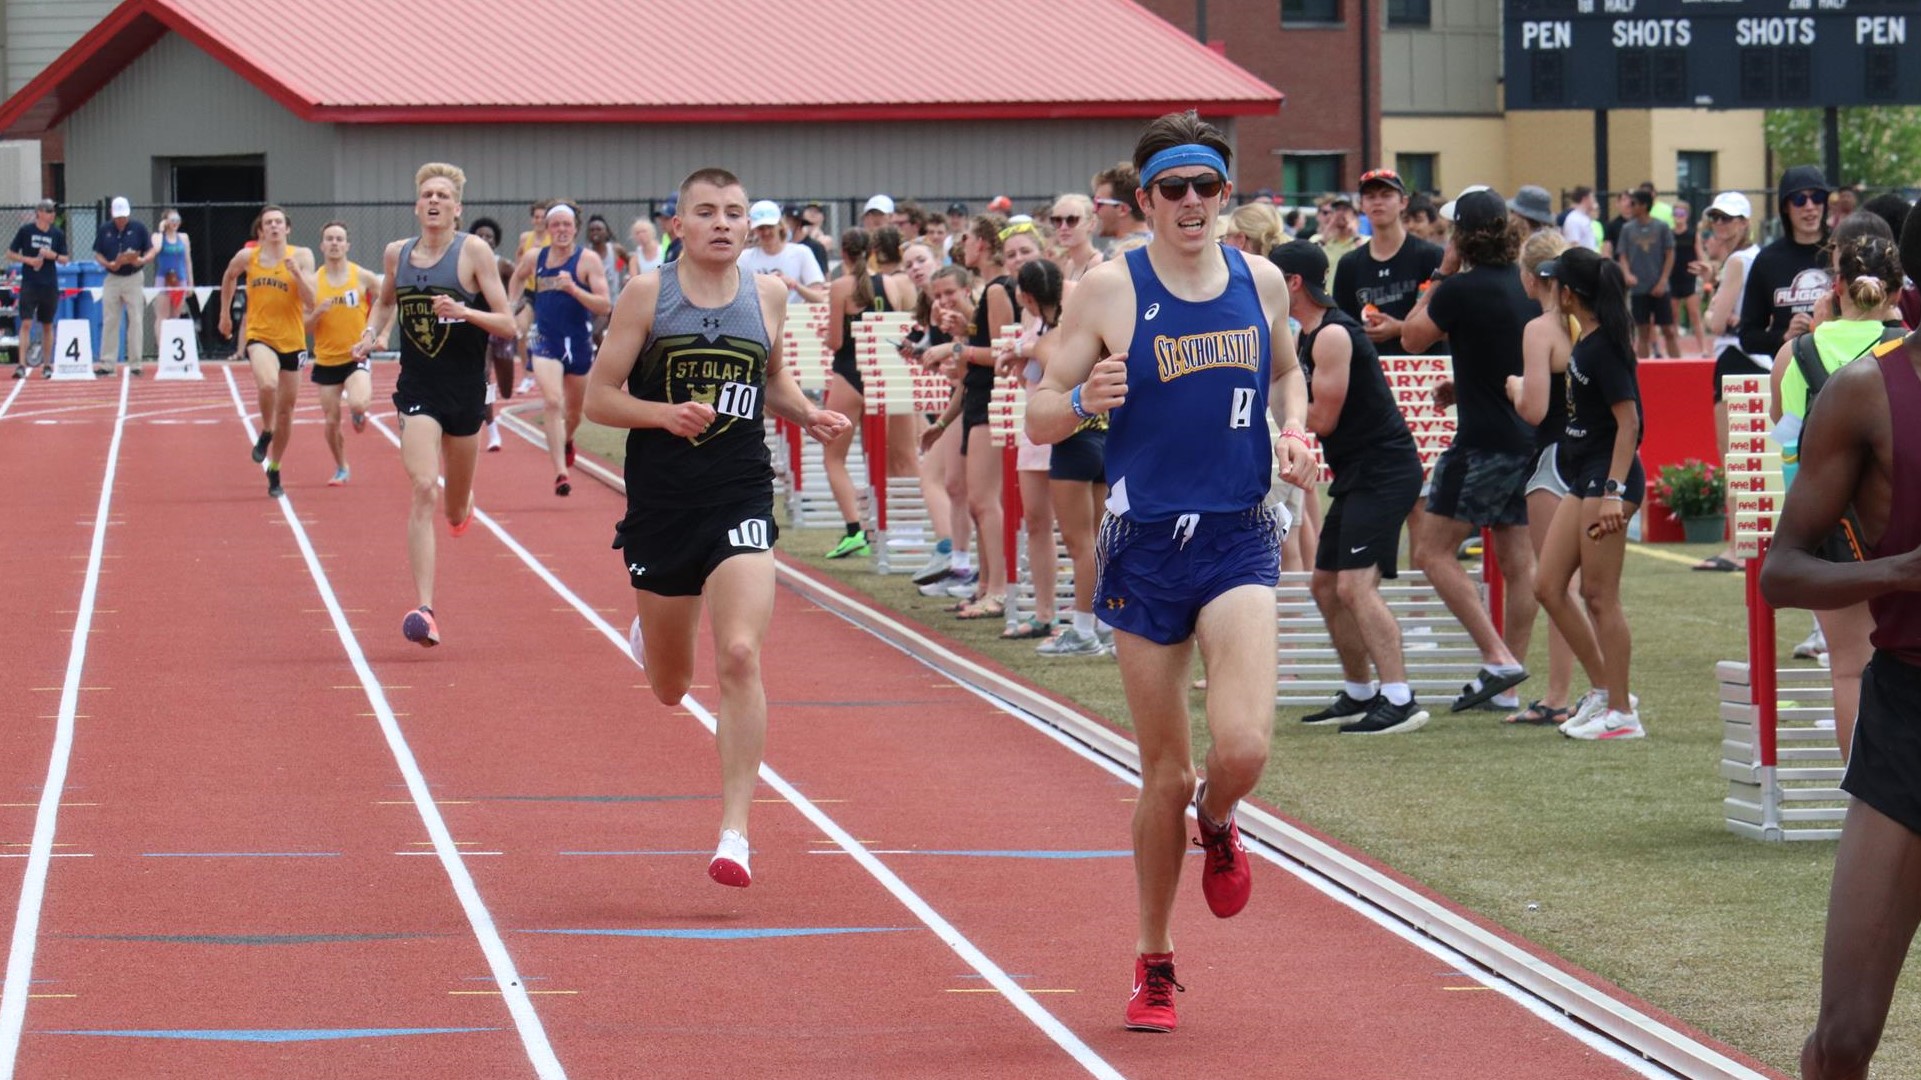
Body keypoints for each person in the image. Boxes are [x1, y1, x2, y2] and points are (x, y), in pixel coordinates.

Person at [1026, 111, 1315, 1033]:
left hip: (1237, 531)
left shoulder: (1258, 279)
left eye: (1207, 187)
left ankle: (1219, 820)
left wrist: (1293, 431)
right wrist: (1082, 399)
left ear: (1225, 196)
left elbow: (1286, 374)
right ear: (1143, 200)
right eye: (1173, 189)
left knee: (1243, 748)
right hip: (1146, 544)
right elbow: (1037, 413)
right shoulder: (1108, 289)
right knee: (1162, 773)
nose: (1192, 202)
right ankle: (1154, 960)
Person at [584, 166, 851, 888]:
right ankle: (650, 638)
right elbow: (599, 399)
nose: (723, 223)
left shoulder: (768, 295)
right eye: (706, 212)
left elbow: (770, 381)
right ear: (679, 225)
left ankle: (735, 832)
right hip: (663, 505)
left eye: (734, 212)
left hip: (739, 493)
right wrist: (662, 414)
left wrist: (807, 412)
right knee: (671, 687)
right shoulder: (648, 293)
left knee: (738, 653)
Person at [1758, 204, 1921, 1080]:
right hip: (1908, 716)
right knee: (1845, 1035)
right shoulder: (1864, 390)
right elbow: (1780, 571)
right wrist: (1897, 574)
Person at [353, 163, 519, 647]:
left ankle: (461, 507)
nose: (433, 201)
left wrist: (464, 310)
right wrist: (371, 332)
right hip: (418, 389)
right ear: (416, 204)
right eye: (427, 194)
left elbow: (508, 324)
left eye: (443, 195)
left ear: (457, 208)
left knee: (454, 505)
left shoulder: (473, 252)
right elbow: (386, 301)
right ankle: (425, 609)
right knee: (424, 486)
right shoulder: (397, 254)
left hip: (465, 391)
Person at [1275, 239, 1427, 734]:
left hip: (1384, 470)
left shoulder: (1333, 335)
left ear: (1294, 283)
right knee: (1325, 585)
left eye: (1271, 280)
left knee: (1355, 586)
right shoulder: (1308, 335)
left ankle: (1400, 697)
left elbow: (1321, 419)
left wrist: (1271, 414)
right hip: (1359, 472)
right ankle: (1360, 691)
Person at [1400, 187, 1541, 714]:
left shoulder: (1458, 289)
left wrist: (1441, 272)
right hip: (1527, 437)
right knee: (1518, 562)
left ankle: (1497, 658)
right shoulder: (1526, 285)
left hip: (1481, 444)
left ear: (1460, 236)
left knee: (1431, 552)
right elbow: (1508, 359)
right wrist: (1464, 387)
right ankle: (1508, 683)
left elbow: (1412, 337)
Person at [1770, 214, 1904, 761]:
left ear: (1837, 285)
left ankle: (1862, 792)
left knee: (1848, 666)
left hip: (1830, 525)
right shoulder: (1908, 348)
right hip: (1900, 518)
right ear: (1896, 290)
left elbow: (1785, 437)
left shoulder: (1800, 354)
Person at [1531, 247, 1646, 739]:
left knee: (1600, 597)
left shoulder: (1605, 348)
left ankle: (1621, 714)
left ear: (1569, 294)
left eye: (1554, 283)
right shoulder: (1588, 338)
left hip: (1608, 481)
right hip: (1586, 479)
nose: (1549, 289)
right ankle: (1604, 689)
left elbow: (1630, 424)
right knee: (1547, 586)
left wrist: (1614, 493)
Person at [1505, 230, 1590, 727]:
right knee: (1589, 587)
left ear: (1530, 278)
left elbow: (1534, 409)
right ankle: (1598, 692)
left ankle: (1563, 693)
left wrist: (1515, 386)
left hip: (1555, 457)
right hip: (1594, 457)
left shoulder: (1541, 329)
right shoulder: (1596, 320)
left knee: (1555, 584)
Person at [820, 227, 915, 558]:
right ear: (872, 252)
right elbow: (900, 332)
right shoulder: (891, 283)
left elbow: (835, 341)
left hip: (849, 374)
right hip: (884, 375)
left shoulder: (840, 286)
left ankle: (854, 530)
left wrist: (826, 335)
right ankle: (899, 529)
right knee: (886, 456)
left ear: (844, 254)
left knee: (833, 458)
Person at [508, 202, 612, 496]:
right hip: (545, 340)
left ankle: (567, 440)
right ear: (548, 229)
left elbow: (604, 305)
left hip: (578, 342)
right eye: (556, 225)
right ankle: (561, 473)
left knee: (575, 412)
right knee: (553, 401)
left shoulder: (587, 260)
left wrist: (574, 289)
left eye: (567, 224)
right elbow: (518, 276)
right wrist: (511, 305)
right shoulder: (536, 257)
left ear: (575, 228)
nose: (562, 230)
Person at [218, 206, 316, 498]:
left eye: (278, 222)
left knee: (287, 411)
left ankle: (275, 466)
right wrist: (225, 314)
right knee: (268, 383)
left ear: (287, 228)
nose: (274, 226)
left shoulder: (302, 256)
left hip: (293, 341)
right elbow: (229, 276)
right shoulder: (248, 257)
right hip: (260, 335)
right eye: (268, 223)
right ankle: (267, 429)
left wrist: (297, 274)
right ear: (261, 230)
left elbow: (311, 301)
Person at [1693, 191, 1762, 573]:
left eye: (1728, 218)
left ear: (1743, 223)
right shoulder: (1757, 256)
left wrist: (1712, 309)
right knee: (1755, 458)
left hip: (1736, 358)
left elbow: (1716, 323)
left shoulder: (1738, 260)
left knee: (1734, 457)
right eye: (1716, 218)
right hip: (1760, 359)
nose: (1720, 224)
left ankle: (1739, 547)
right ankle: (1750, 543)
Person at [1334, 167, 1445, 357]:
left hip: (1424, 367)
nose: (1378, 202)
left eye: (1386, 195)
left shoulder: (1430, 256)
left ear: (1403, 202)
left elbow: (1450, 323)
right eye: (1370, 196)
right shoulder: (1349, 264)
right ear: (1361, 205)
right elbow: (1342, 326)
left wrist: (1400, 328)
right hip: (1373, 366)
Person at [306, 221, 380, 486]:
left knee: (358, 402)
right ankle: (341, 466)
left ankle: (359, 413)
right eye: (330, 239)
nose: (335, 243)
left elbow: (387, 301)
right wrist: (317, 313)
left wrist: (378, 333)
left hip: (355, 356)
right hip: (326, 360)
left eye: (339, 239)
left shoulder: (362, 276)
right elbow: (303, 326)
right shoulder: (312, 283)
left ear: (347, 245)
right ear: (322, 246)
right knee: (331, 421)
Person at [467, 216, 515, 453]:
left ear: (496, 242)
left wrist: (514, 309)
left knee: (506, 389)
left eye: (489, 237)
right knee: (484, 376)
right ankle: (492, 428)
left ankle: (492, 395)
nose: (485, 239)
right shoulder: (466, 265)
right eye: (480, 235)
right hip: (481, 327)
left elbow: (522, 289)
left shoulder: (503, 265)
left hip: (501, 329)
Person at [6, 199, 67, 377]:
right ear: (39, 212)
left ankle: (47, 365)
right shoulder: (26, 231)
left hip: (49, 284)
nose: (52, 214)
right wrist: (29, 260)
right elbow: (10, 253)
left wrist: (52, 255)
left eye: (53, 211)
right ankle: (21, 364)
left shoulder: (57, 234)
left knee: (47, 324)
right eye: (48, 211)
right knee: (26, 322)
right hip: (30, 283)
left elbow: (65, 259)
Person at [1615, 189, 1679, 359]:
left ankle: (1678, 367)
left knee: (1668, 330)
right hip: (1639, 287)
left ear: (1643, 206)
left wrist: (1663, 281)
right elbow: (1622, 255)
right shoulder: (1627, 229)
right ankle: (1643, 368)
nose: (1630, 206)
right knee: (1642, 332)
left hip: (1660, 286)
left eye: (1633, 203)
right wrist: (1627, 274)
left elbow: (1670, 254)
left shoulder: (1661, 227)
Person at [93, 197, 153, 376]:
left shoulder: (139, 228)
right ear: (112, 215)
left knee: (136, 320)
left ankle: (136, 363)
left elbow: (150, 249)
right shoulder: (105, 230)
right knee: (110, 319)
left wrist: (142, 260)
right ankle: (107, 363)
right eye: (118, 217)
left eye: (124, 217)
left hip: (133, 277)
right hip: (112, 277)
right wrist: (109, 264)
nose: (121, 220)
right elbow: (97, 254)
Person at [738, 201, 825, 304]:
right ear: (754, 230)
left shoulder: (801, 253)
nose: (766, 232)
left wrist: (794, 285)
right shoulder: (744, 258)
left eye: (770, 226)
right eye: (761, 228)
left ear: (779, 225)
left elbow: (819, 297)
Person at [1670, 201, 1707, 356]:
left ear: (1687, 216)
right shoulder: (1669, 234)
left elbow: (1700, 253)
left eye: (1682, 214)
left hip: (1689, 276)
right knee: (1673, 316)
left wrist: (1702, 268)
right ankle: (1675, 350)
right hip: (1672, 276)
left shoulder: (1693, 234)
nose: (1679, 216)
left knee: (1694, 313)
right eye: (1676, 213)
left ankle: (1703, 348)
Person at [148, 208, 194, 329]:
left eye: (177, 219)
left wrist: (190, 282)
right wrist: (161, 230)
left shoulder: (183, 237)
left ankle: (172, 340)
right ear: (165, 221)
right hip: (163, 278)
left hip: (180, 279)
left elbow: (187, 261)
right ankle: (161, 341)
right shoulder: (158, 237)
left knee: (175, 316)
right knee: (162, 316)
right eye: (172, 220)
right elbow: (157, 248)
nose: (175, 222)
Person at [1091, 161, 1151, 250]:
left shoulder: (1133, 252)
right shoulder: (1155, 246)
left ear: (1122, 209)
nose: (1094, 210)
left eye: (1098, 203)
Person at [1048, 193, 1105, 282]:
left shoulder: (1099, 264)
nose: (1063, 227)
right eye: (1057, 220)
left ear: (1091, 224)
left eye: (1072, 220)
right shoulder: (1069, 265)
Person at [1561, 186, 1603, 252]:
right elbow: (1573, 244)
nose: (1594, 201)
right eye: (1592, 198)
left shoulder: (1585, 218)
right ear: (1585, 199)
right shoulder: (1574, 219)